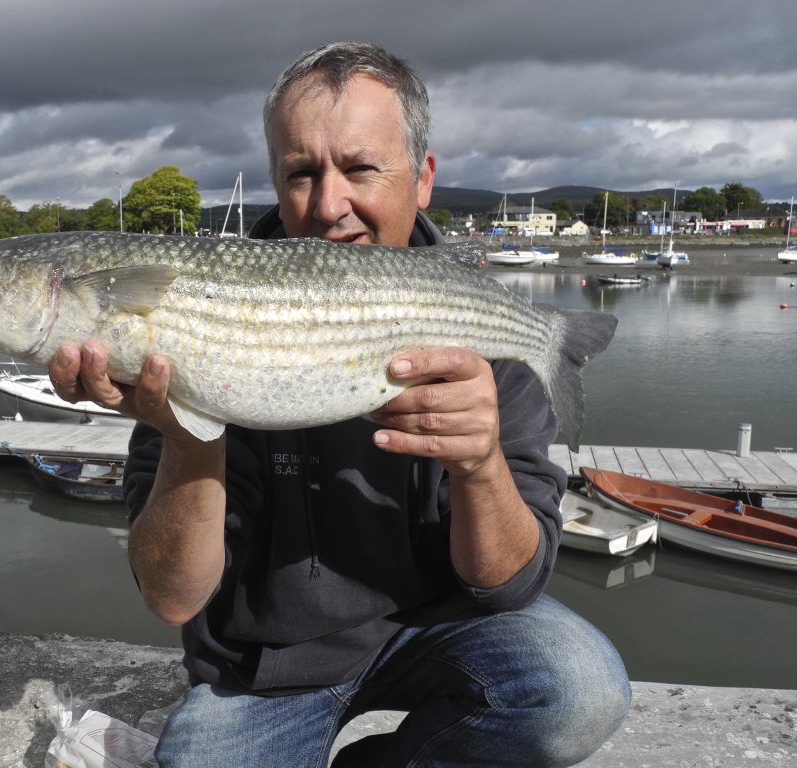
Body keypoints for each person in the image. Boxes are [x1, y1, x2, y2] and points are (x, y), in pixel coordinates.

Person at [49, 41, 630, 768]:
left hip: (439, 630)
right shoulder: (189, 314)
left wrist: (481, 466)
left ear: (421, 178)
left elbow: (510, 583)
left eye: (360, 168)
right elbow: (172, 599)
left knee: (578, 688)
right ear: (274, 180)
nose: (329, 205)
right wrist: (190, 435)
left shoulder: (482, 325)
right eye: (300, 173)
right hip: (264, 669)